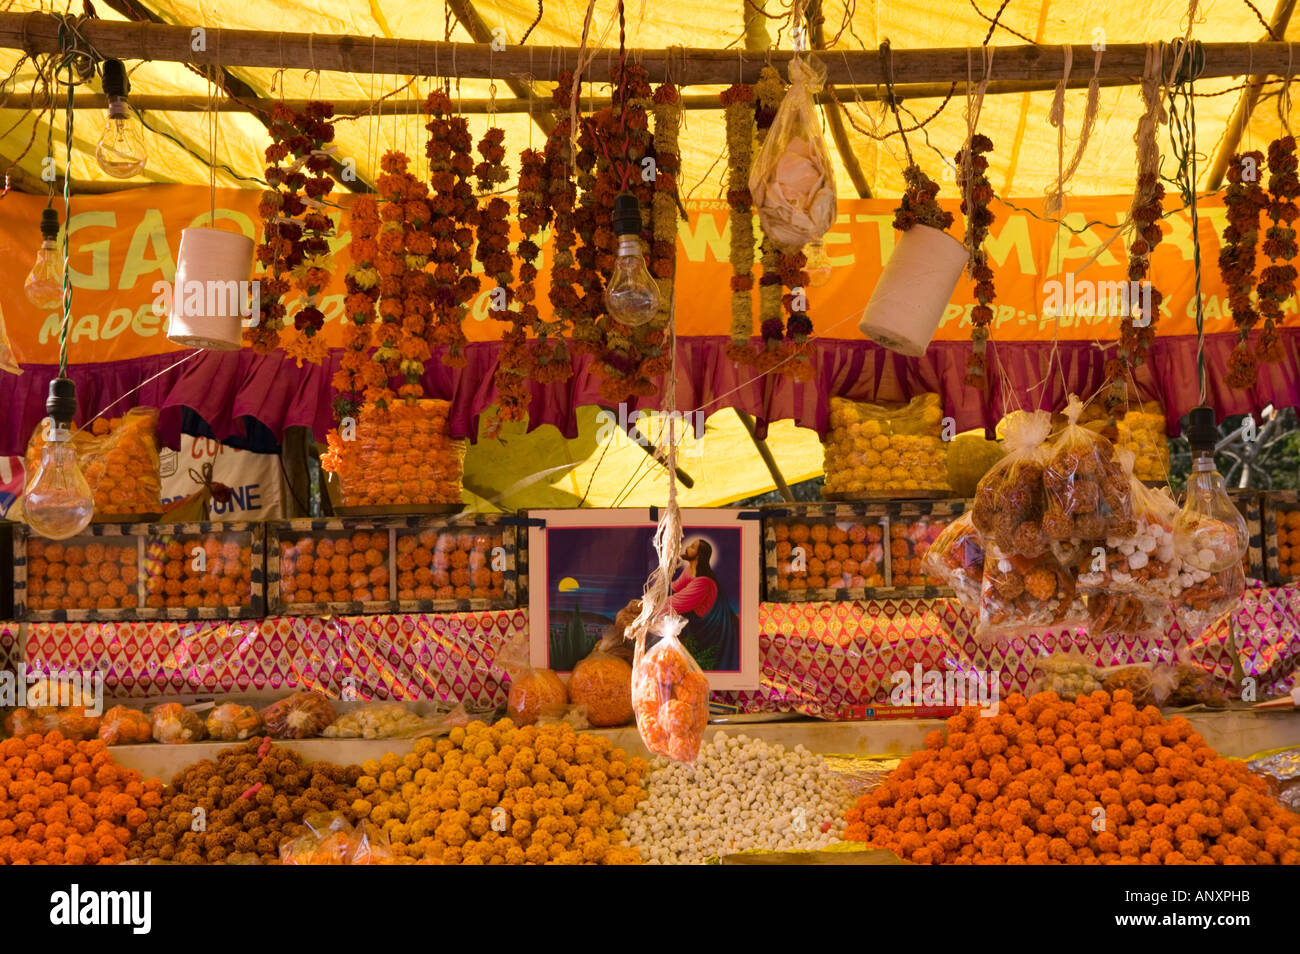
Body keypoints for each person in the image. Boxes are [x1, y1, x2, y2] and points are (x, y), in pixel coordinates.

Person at [665, 538, 740, 671]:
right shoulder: (690, 570)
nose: (687, 547)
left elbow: (677, 603)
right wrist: (657, 593)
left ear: (699, 555)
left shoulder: (703, 582)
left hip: (711, 628)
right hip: (699, 621)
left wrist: (651, 606)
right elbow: (675, 588)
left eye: (692, 547)